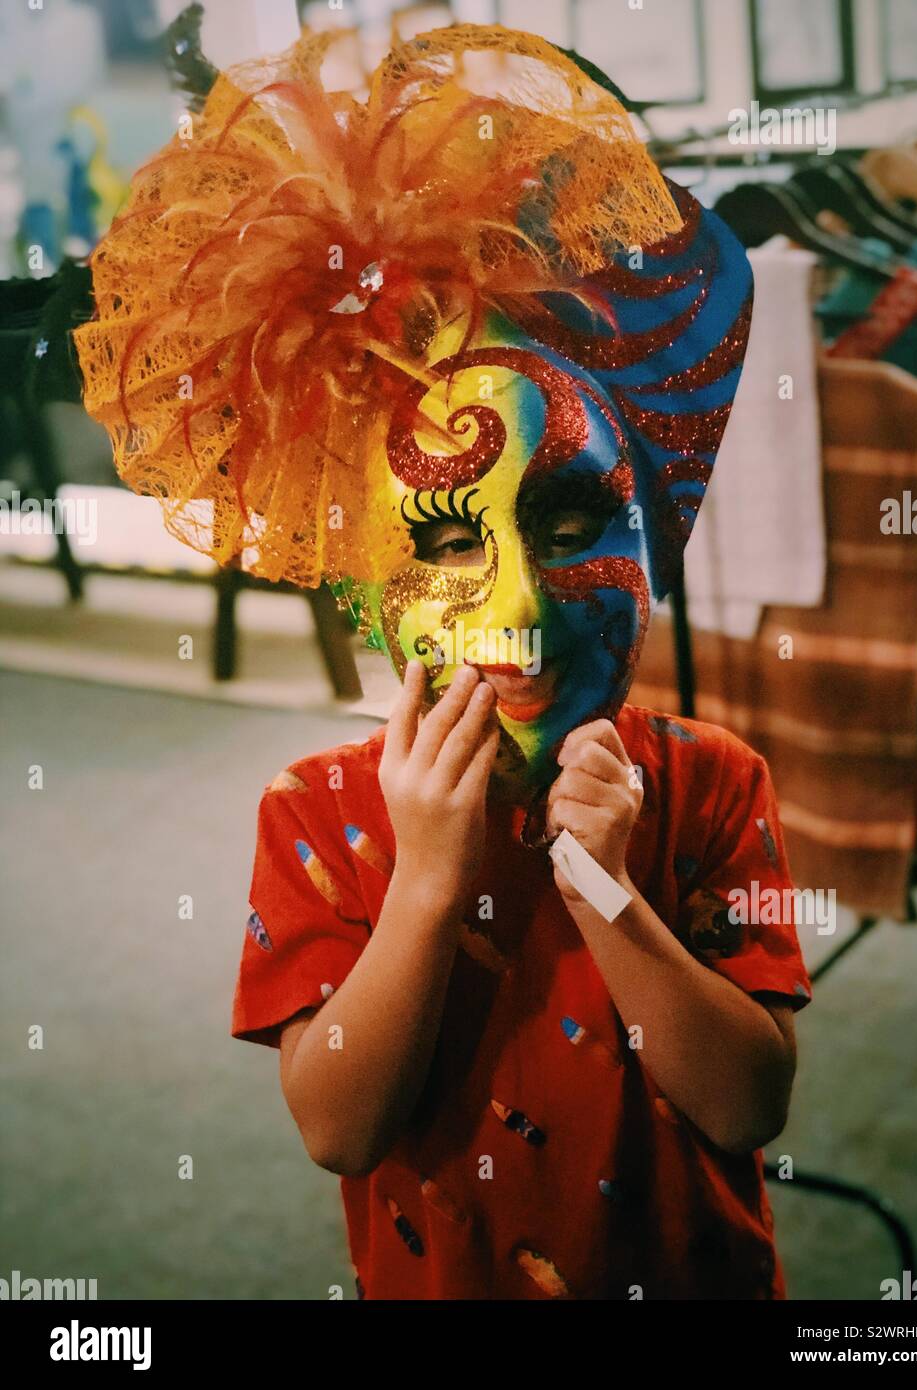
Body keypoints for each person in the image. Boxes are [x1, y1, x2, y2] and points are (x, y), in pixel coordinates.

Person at [75, 24, 812, 1300]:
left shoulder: (716, 785)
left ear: (657, 535)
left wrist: (608, 885)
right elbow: (338, 1128)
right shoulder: (319, 819)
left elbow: (748, 1106)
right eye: (447, 537)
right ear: (368, 592)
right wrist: (423, 877)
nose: (518, 601)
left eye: (573, 523)